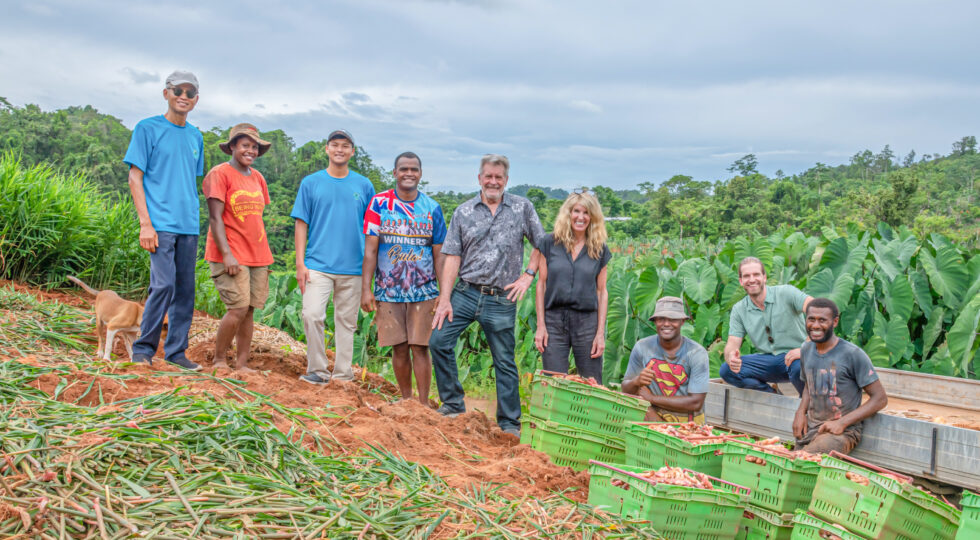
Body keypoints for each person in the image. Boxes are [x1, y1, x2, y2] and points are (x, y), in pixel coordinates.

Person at [429, 154, 545, 436]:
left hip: (501, 297)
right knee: (439, 341)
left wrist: (528, 275)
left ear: (506, 180)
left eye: (499, 177)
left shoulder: (522, 208)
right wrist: (444, 299)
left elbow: (543, 243)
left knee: (504, 360)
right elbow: (452, 257)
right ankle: (454, 404)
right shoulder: (464, 212)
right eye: (488, 176)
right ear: (479, 178)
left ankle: (509, 423)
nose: (493, 181)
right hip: (466, 292)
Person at [123, 70, 204, 371]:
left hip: (189, 224)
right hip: (160, 224)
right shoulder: (147, 129)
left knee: (185, 289)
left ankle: (176, 352)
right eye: (178, 91)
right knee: (163, 285)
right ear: (166, 93)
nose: (184, 96)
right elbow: (135, 177)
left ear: (196, 100)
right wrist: (146, 223)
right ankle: (143, 348)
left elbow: (189, 180)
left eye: (190, 93)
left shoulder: (196, 136)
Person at [361, 152, 447, 404]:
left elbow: (439, 252)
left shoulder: (431, 208)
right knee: (398, 346)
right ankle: (405, 399)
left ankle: (422, 403)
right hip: (388, 290)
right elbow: (371, 250)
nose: (409, 173)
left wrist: (444, 293)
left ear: (420, 174)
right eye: (403, 169)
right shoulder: (379, 204)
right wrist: (366, 289)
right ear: (395, 172)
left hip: (424, 290)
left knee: (420, 347)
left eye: (414, 169)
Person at [292, 130, 376, 385]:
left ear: (352, 152)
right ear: (326, 149)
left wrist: (370, 272)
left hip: (353, 267)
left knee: (346, 323)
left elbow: (372, 229)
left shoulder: (364, 185)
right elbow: (301, 223)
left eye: (346, 146)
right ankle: (317, 370)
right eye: (335, 145)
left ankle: (342, 375)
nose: (340, 149)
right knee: (312, 314)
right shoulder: (311, 183)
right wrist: (300, 263)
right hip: (317, 264)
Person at [203, 123, 274, 373]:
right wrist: (227, 255)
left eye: (254, 147)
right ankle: (219, 359)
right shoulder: (219, 174)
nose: (250, 151)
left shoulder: (257, 178)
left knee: (250, 310)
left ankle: (242, 363)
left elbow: (257, 217)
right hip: (230, 252)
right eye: (245, 145)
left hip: (257, 253)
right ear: (233, 146)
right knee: (238, 308)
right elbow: (215, 218)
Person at [534, 191, 611, 383]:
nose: (581, 217)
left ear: (592, 217)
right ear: (568, 214)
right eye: (576, 211)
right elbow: (541, 284)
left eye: (586, 213)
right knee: (554, 381)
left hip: (587, 323)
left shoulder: (599, 248)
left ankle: (590, 414)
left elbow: (602, 292)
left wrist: (600, 334)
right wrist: (541, 326)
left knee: (591, 382)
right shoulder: (549, 243)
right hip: (554, 321)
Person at [793, 298, 888, 454]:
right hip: (810, 430)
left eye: (822, 320)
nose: (815, 325)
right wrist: (800, 412)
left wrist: (842, 423)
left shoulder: (852, 354)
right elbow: (809, 386)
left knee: (800, 459)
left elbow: (880, 398)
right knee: (786, 459)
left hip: (842, 433)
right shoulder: (806, 349)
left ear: (835, 322)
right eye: (811, 319)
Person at [721, 257, 813, 395]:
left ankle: (807, 404)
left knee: (799, 367)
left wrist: (805, 348)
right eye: (746, 276)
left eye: (756, 274)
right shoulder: (739, 309)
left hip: (798, 358)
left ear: (764, 277)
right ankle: (773, 396)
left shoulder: (786, 293)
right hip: (769, 361)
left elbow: (820, 311)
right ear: (741, 281)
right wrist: (731, 357)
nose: (752, 279)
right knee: (727, 371)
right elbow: (732, 344)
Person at [621, 297, 710, 423]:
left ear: (682, 321)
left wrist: (652, 398)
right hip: (655, 419)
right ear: (655, 321)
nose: (666, 324)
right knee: (632, 403)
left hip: (689, 425)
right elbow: (625, 389)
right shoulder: (643, 347)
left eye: (673, 319)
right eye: (661, 319)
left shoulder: (696, 353)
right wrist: (637, 381)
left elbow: (696, 402)